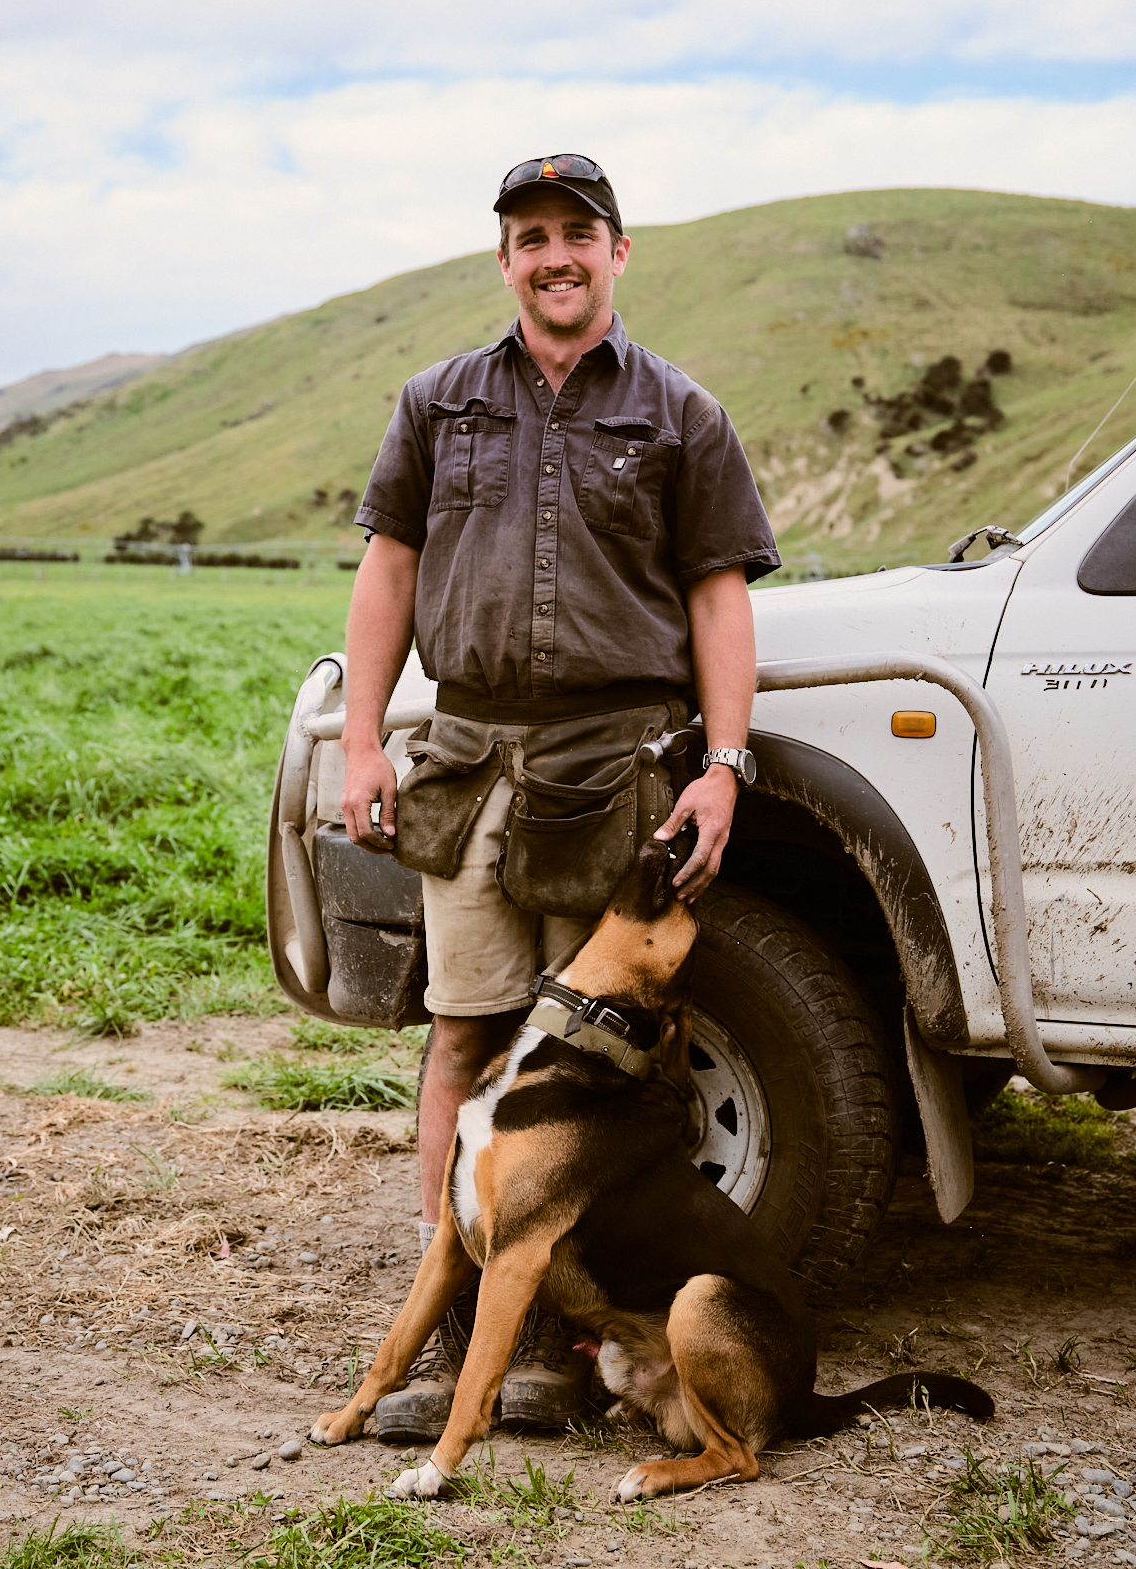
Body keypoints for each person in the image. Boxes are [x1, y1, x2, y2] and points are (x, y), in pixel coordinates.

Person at [339, 152, 779, 1440]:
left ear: (618, 251)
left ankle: (562, 1343)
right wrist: (364, 740)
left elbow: (717, 596)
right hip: (469, 760)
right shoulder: (437, 404)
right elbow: (389, 570)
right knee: (464, 1038)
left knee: (593, 1069)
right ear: (505, 262)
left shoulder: (681, 412)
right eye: (530, 238)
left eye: (576, 234)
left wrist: (725, 763)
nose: (555, 257)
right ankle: (456, 1338)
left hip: (614, 766)